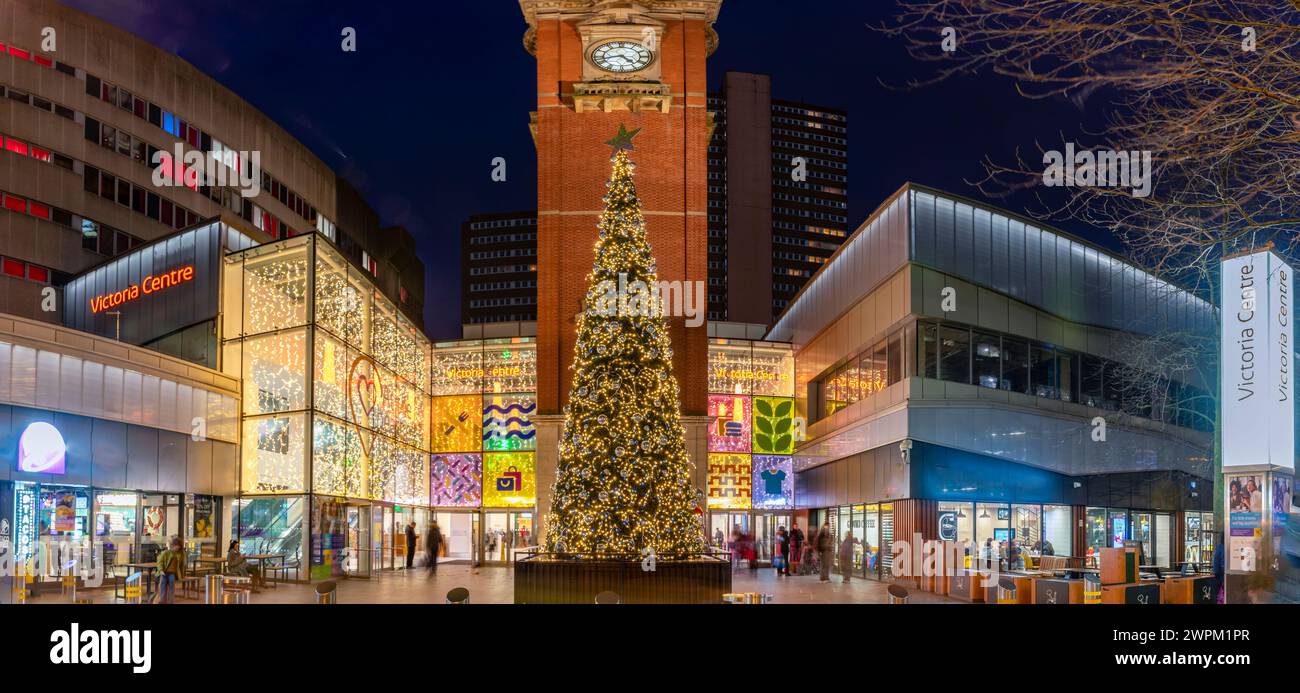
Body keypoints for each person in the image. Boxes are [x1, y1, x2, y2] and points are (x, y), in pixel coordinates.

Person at [156, 535, 185, 604]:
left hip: (172, 573)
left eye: (178, 547)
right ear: (172, 545)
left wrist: (182, 575)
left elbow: (182, 565)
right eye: (176, 546)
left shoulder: (181, 554)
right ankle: (161, 600)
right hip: (164, 572)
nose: (177, 548)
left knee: (172, 585)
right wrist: (161, 570)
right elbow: (160, 562)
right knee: (163, 585)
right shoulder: (166, 553)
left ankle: (171, 601)